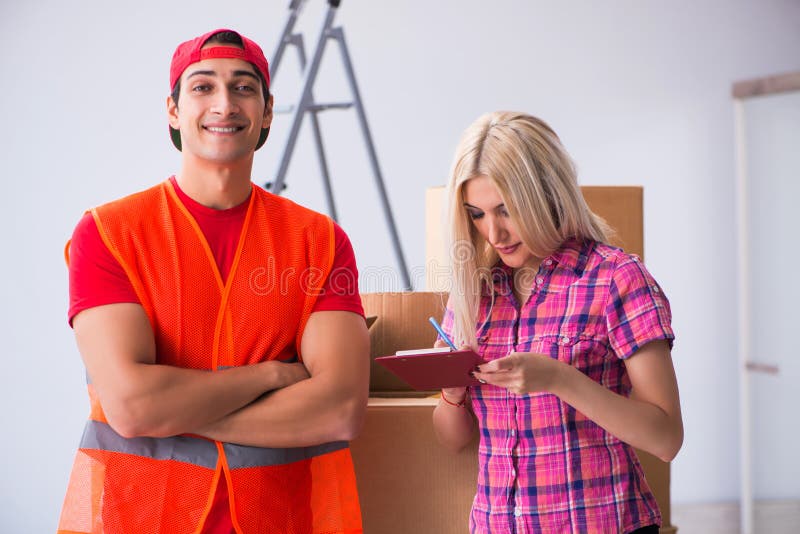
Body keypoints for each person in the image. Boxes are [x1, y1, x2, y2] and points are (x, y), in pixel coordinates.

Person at [58, 29, 369, 534]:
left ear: (267, 113)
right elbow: (133, 406)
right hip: (146, 520)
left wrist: (167, 413)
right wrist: (269, 377)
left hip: (280, 522)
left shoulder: (319, 241)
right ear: (174, 110)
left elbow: (340, 410)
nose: (225, 104)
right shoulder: (109, 234)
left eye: (244, 88)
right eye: (202, 87)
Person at [431, 111, 683, 534]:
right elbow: (454, 441)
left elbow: (666, 438)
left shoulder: (615, 278)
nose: (493, 233)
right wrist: (452, 390)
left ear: (547, 193)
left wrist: (559, 379)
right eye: (476, 214)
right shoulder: (476, 293)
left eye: (506, 210)